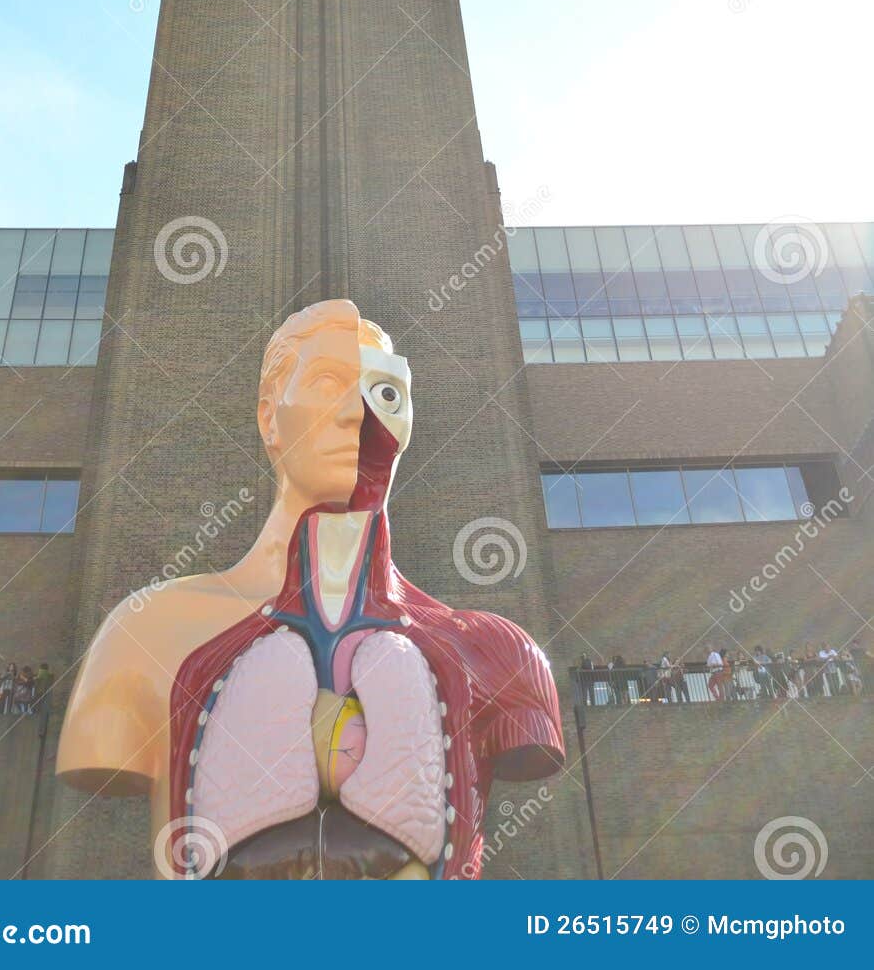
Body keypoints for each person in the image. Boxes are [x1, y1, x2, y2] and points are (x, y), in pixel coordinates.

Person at [57, 299, 566, 881]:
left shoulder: (496, 652)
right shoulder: (146, 632)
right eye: (329, 383)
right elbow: (102, 754)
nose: (359, 413)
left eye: (385, 393)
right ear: (270, 416)